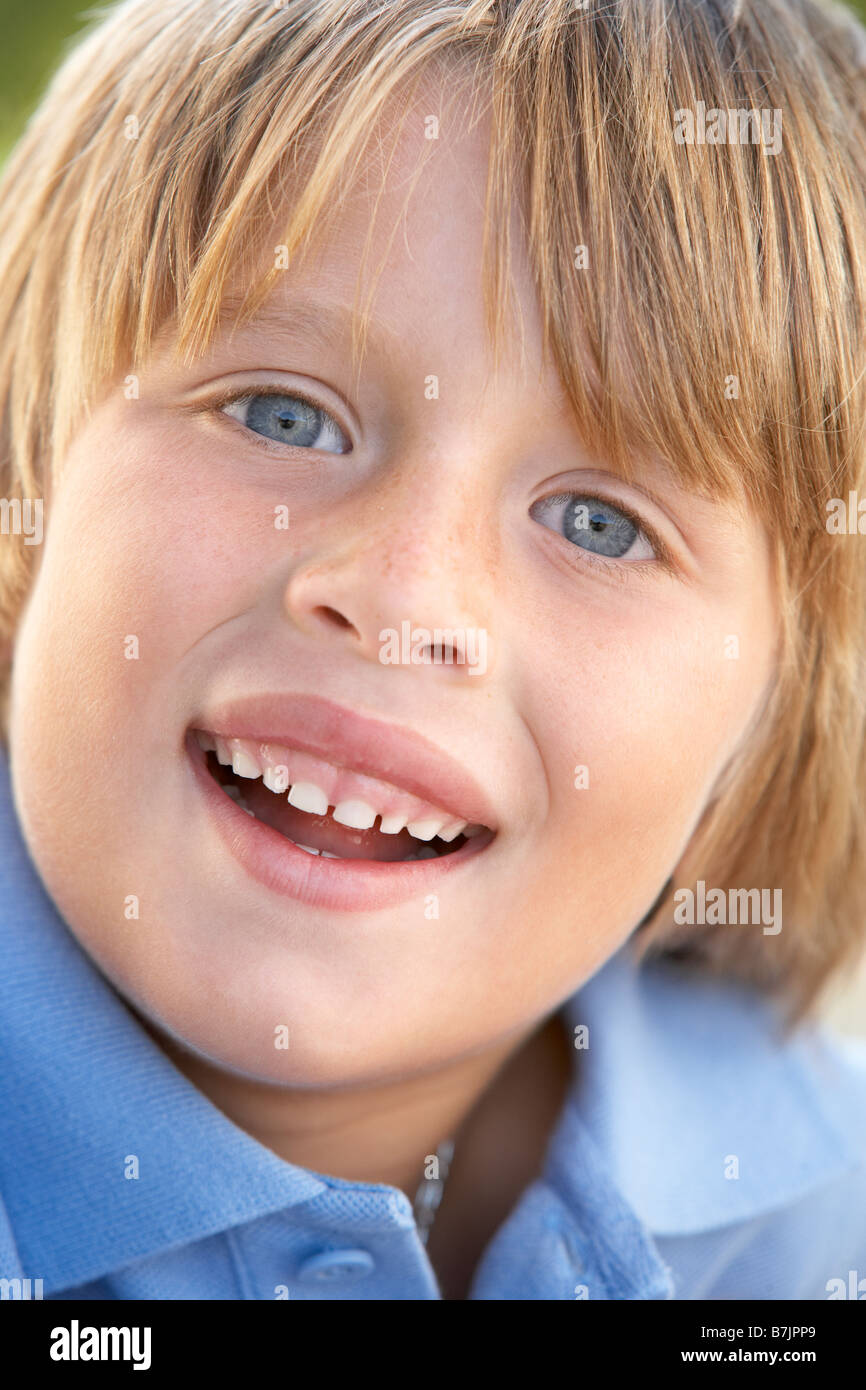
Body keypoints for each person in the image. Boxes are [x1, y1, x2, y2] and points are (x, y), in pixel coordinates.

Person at [0, 0, 865, 1301]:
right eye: (283, 413)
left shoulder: (814, 1219)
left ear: (779, 723)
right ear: (29, 465)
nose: (404, 599)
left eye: (597, 523)